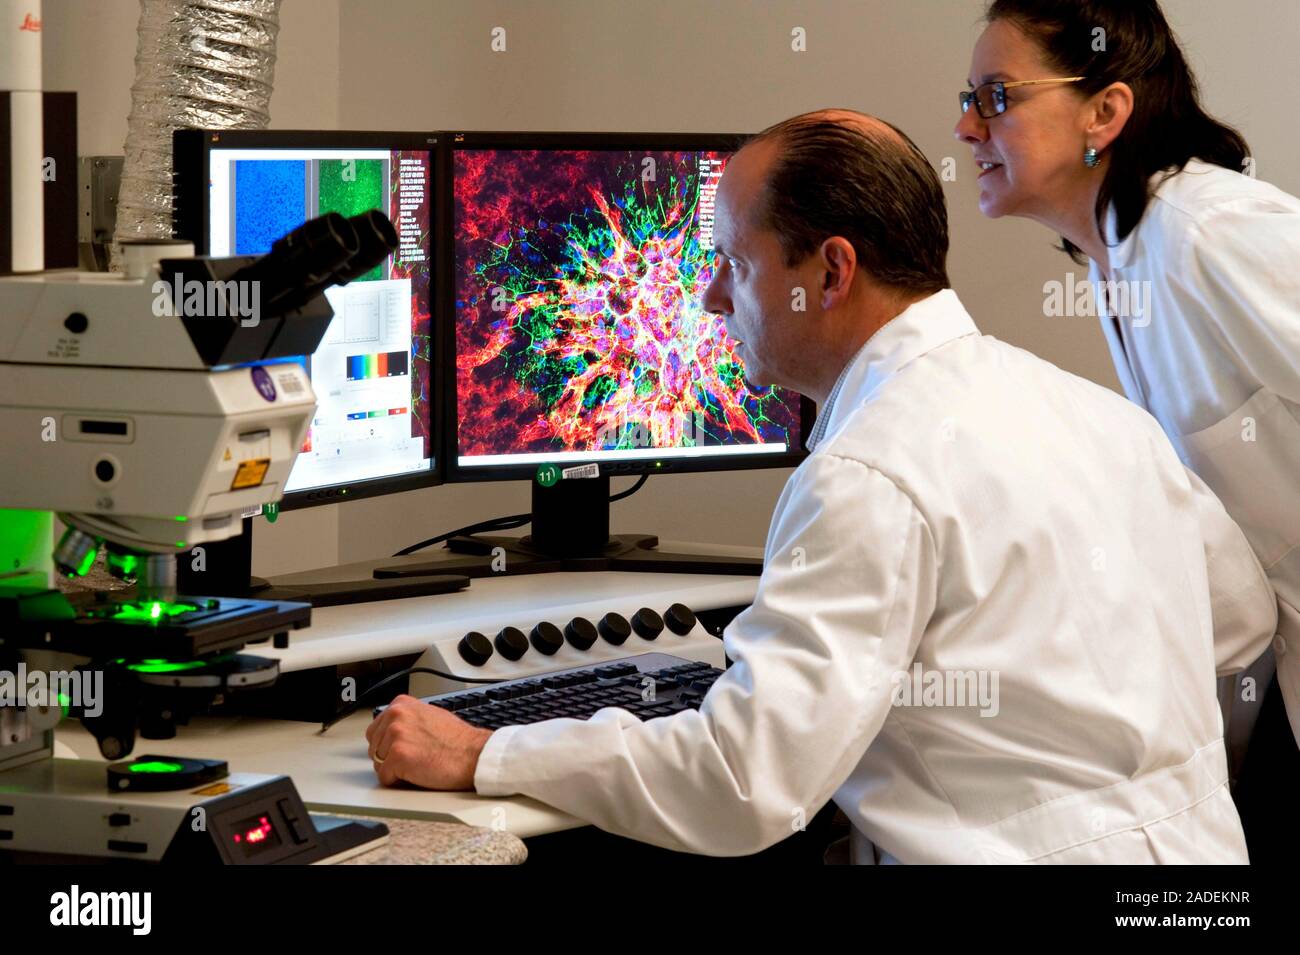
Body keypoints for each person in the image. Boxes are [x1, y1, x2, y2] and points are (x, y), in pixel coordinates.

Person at [366, 109, 1276, 863]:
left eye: (735, 262)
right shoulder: (1100, 417)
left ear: (831, 271)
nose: (716, 301)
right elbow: (1240, 618)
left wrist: (490, 750)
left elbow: (743, 782)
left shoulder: (868, 471)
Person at [955, 0, 1300, 862]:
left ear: (1104, 113)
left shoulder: (1208, 233)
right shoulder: (1124, 261)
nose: (965, 126)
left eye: (996, 97)